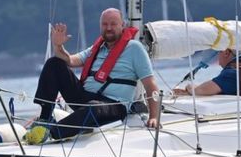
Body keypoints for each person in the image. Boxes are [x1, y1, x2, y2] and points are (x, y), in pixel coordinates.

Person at [29, 8, 160, 143]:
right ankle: (44, 119)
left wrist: (154, 117)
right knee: (54, 63)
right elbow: (70, 61)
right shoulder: (97, 48)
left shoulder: (135, 48)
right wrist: (58, 46)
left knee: (93, 108)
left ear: (122, 25)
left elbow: (150, 84)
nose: (108, 28)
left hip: (114, 105)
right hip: (85, 98)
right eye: (105, 24)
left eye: (113, 24)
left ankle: (51, 133)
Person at [173, 49, 241, 98]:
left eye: (218, 53)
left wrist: (189, 87)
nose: (218, 61)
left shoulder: (233, 72)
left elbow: (199, 91)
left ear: (226, 53)